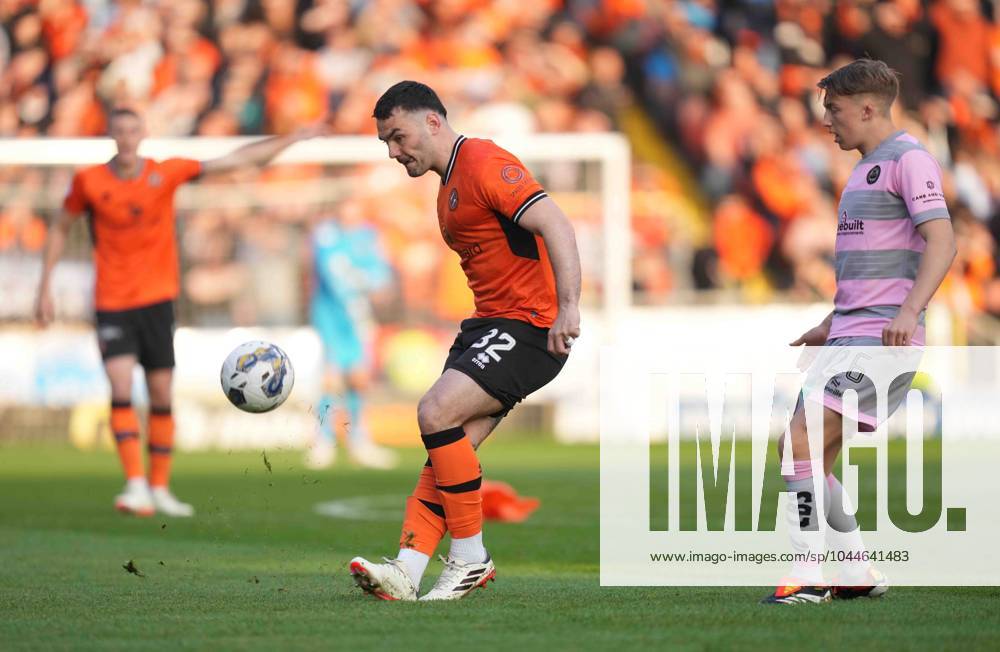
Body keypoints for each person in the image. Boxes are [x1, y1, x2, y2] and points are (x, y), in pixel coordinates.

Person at [348, 81, 581, 601]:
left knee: (435, 412)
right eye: (386, 142)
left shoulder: (483, 162)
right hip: (489, 326)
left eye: (398, 136)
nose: (393, 152)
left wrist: (568, 307)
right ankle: (407, 569)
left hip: (529, 325)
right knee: (447, 449)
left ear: (433, 122)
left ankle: (471, 558)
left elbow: (557, 224)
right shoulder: (447, 185)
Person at [34, 108, 323, 517]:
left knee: (160, 394)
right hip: (111, 301)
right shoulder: (89, 181)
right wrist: (44, 285)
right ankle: (135, 484)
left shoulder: (165, 172)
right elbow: (61, 225)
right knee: (120, 388)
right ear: (111, 134)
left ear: (143, 133)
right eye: (120, 130)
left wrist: (292, 139)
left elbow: (235, 160)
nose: (127, 137)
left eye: (133, 130)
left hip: (157, 300)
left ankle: (160, 487)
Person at [764, 59, 956, 604]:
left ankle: (807, 574)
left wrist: (909, 311)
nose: (827, 120)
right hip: (850, 333)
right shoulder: (862, 168)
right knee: (803, 452)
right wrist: (831, 322)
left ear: (868, 108)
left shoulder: (909, 159)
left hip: (882, 337)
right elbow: (869, 263)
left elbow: (943, 241)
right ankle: (855, 571)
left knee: (802, 439)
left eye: (835, 109)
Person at [306, 201, 398, 470]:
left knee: (359, 378)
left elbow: (382, 274)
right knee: (331, 378)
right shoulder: (326, 235)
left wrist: (368, 281)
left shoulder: (370, 235)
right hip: (331, 318)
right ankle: (323, 440)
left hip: (359, 317)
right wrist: (366, 280)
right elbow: (334, 276)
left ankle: (359, 439)